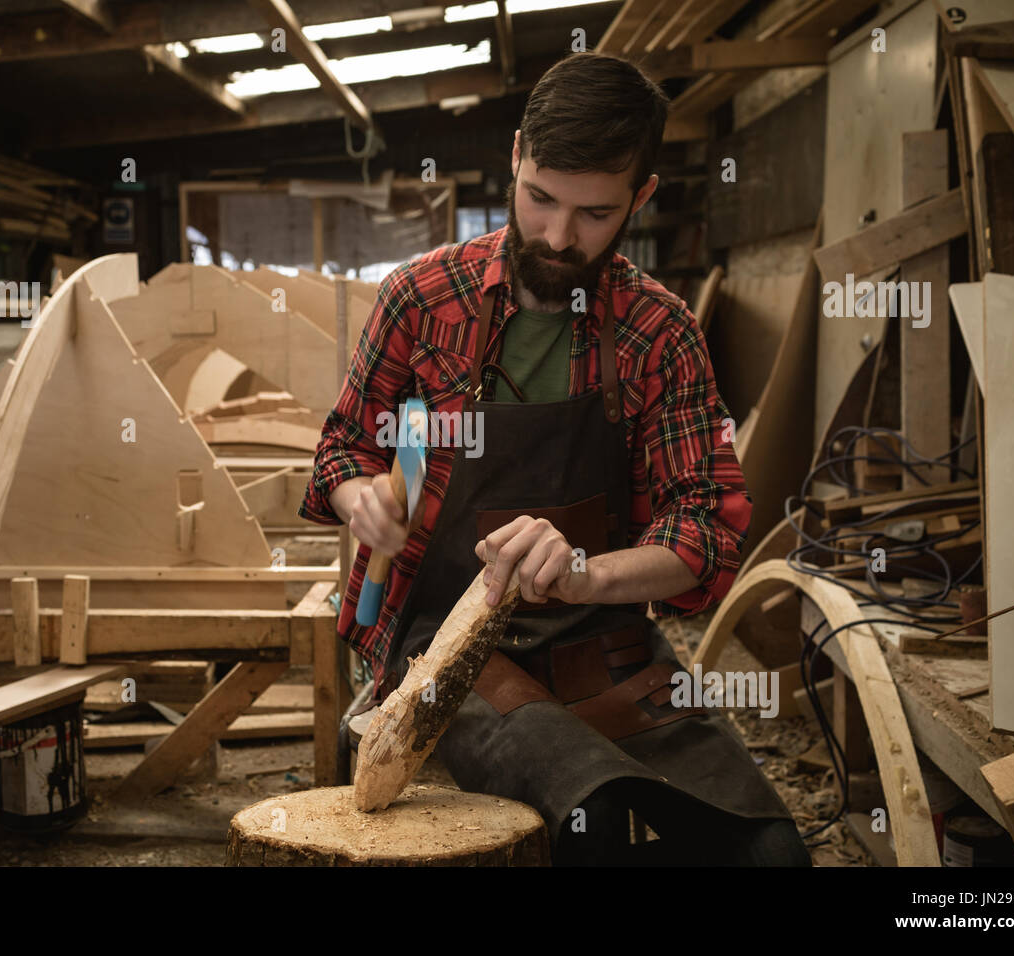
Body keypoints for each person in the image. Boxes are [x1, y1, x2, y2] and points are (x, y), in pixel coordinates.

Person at [300, 52, 809, 866]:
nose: (558, 236)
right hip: (444, 648)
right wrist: (358, 494)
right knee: (589, 819)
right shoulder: (421, 301)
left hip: (599, 645)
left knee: (771, 853)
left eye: (595, 213)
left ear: (641, 195)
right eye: (540, 198)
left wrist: (589, 575)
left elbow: (706, 531)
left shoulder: (660, 332)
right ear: (514, 156)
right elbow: (340, 448)